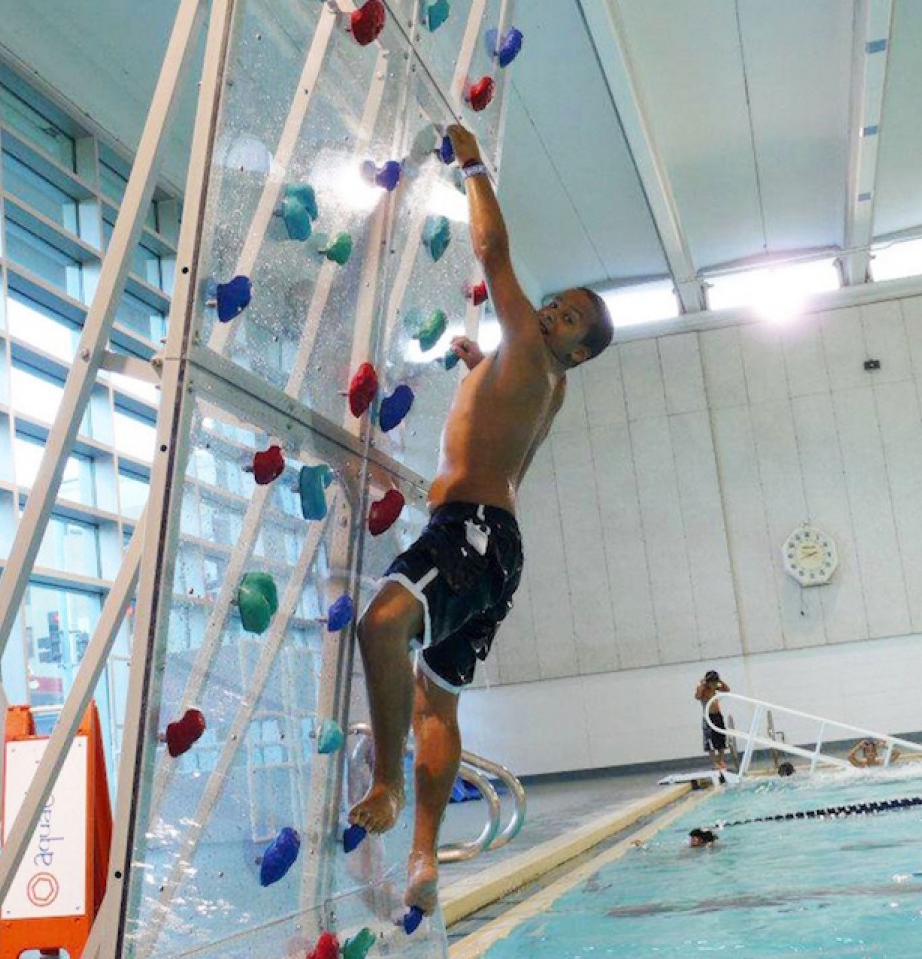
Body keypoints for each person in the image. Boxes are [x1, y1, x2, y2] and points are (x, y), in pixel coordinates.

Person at [347, 123, 615, 917]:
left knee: (380, 624)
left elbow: (494, 254)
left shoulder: (535, 358)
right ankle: (425, 860)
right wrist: (475, 364)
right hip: (498, 552)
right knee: (438, 703)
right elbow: (501, 418)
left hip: (468, 532)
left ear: (577, 350)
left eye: (565, 316)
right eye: (558, 303)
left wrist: (471, 163)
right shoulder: (541, 382)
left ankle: (390, 782)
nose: (552, 310)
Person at [695, 670, 730, 770]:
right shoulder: (703, 689)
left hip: (717, 715)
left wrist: (720, 681)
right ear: (708, 681)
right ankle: (715, 763)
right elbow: (697, 696)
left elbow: (727, 690)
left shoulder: (716, 687)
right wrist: (702, 685)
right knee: (710, 742)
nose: (714, 684)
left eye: (715, 682)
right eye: (712, 682)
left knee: (721, 739)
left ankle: (721, 761)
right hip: (708, 717)